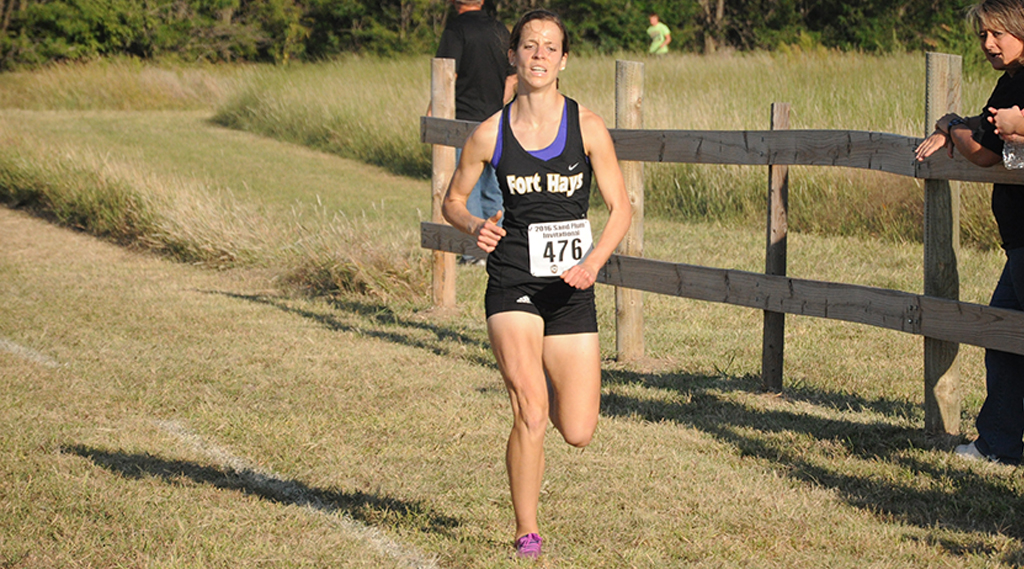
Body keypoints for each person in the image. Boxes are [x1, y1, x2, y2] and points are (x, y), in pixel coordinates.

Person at [441, 9, 631, 558]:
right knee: (531, 408)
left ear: (564, 60)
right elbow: (452, 200)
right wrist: (474, 224)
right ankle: (527, 530)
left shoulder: (588, 126)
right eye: (529, 45)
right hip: (513, 280)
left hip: (573, 283)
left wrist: (594, 263)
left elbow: (621, 209)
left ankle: (543, 375)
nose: (539, 55)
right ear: (513, 56)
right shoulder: (490, 133)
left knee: (577, 429)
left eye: (550, 47)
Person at [915, 0, 1024, 465]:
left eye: (998, 33)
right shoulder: (1009, 84)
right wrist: (954, 127)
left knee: (1005, 334)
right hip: (1018, 238)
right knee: (1002, 334)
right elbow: (995, 147)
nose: (989, 43)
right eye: (983, 35)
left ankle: (998, 443)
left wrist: (958, 127)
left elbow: (983, 154)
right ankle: (998, 443)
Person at [432, 0, 517, 265]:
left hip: (463, 120)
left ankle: (473, 252)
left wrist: (434, 112)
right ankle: (500, 249)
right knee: (494, 188)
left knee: (464, 188)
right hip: (496, 121)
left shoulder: (455, 29)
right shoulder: (499, 29)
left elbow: (448, 74)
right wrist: (498, 108)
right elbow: (512, 77)